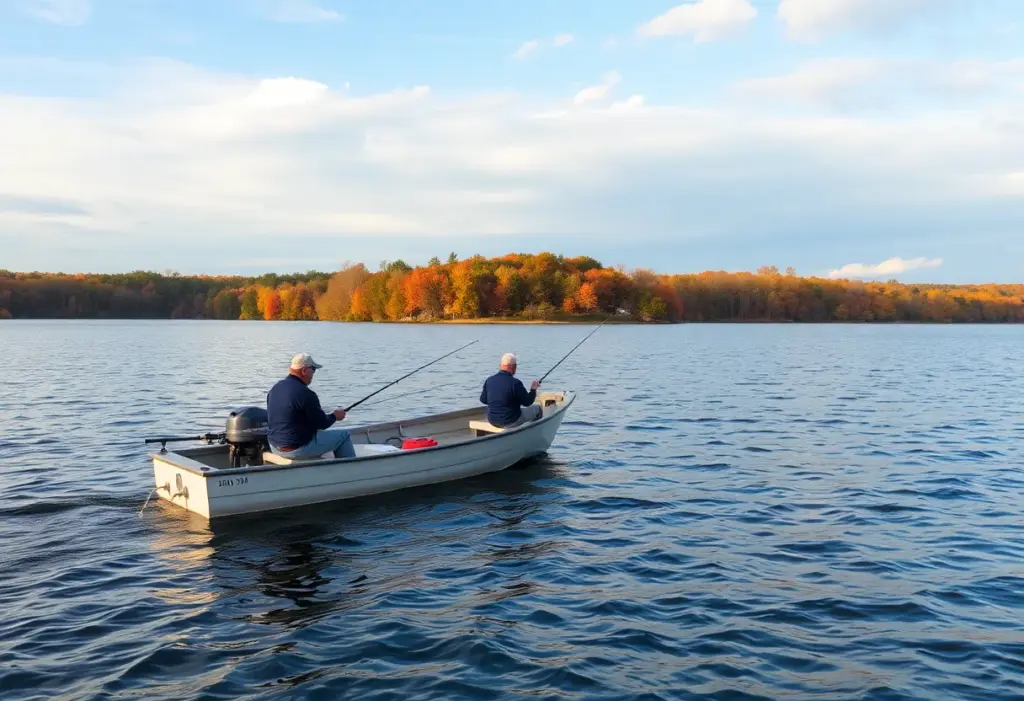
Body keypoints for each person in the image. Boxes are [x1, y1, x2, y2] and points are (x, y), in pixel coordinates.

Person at [266, 353, 356, 459]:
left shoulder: (275, 389)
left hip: (275, 447)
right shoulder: (306, 393)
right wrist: (335, 416)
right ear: (304, 370)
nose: (314, 373)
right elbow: (322, 423)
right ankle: (349, 471)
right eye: (313, 369)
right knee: (343, 435)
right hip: (296, 449)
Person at [479, 352, 542, 428]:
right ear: (514, 367)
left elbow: (483, 400)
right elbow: (527, 402)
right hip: (510, 420)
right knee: (537, 409)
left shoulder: (489, 380)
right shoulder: (515, 383)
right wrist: (533, 389)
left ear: (501, 366)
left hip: (492, 420)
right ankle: (530, 434)